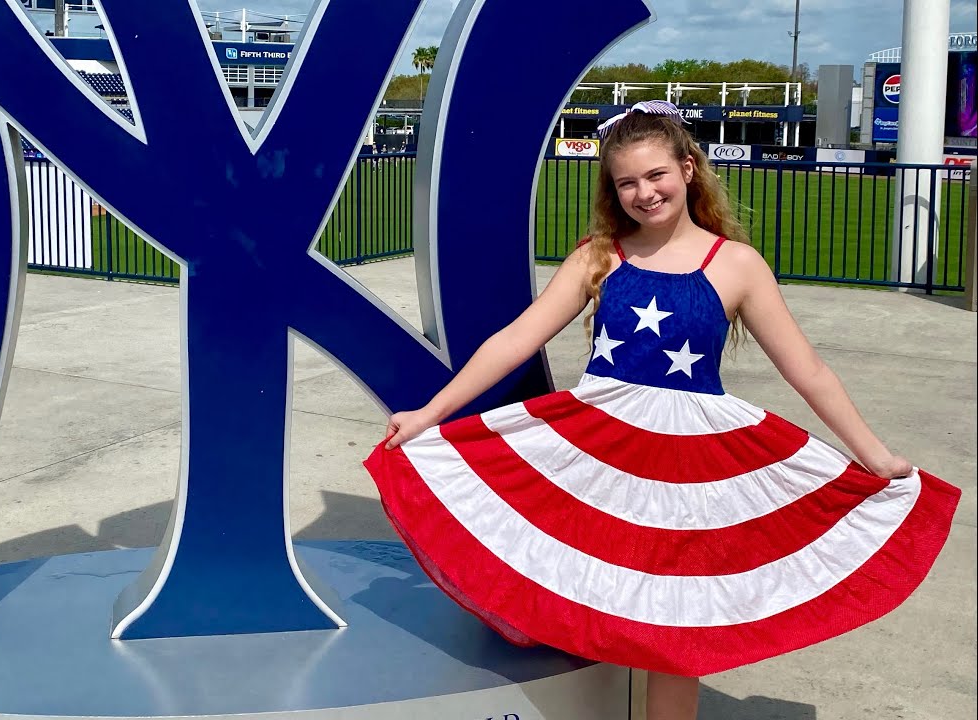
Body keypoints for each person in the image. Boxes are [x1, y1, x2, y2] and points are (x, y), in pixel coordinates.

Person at [364, 100, 960, 720]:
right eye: (627, 182)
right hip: (599, 453)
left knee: (674, 634)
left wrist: (875, 455)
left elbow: (806, 370)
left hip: (689, 467)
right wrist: (431, 413)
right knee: (567, 581)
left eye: (656, 176)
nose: (644, 193)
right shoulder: (600, 255)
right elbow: (517, 339)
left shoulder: (736, 264)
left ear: (688, 168)